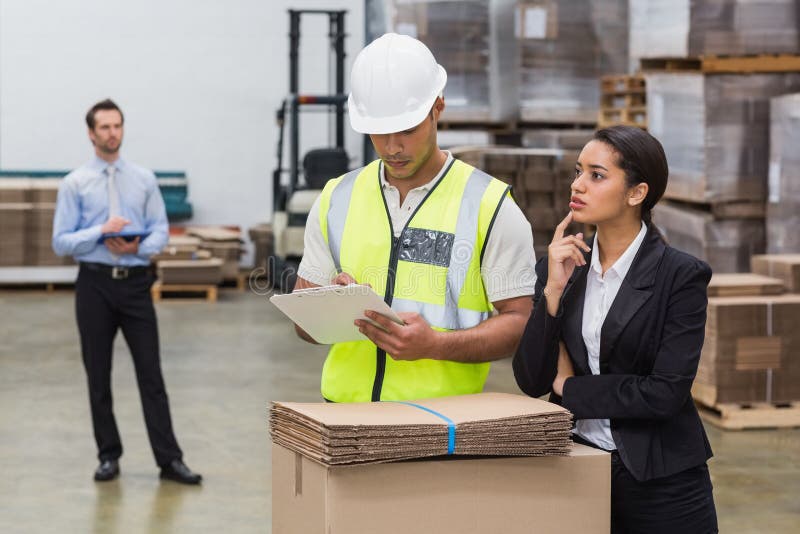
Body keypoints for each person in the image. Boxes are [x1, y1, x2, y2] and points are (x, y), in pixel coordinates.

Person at [293, 33, 536, 403]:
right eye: (379, 131)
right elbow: (304, 326)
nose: (392, 147)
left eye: (407, 129)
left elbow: (521, 322)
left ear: (437, 108)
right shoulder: (336, 198)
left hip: (437, 425)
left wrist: (436, 345)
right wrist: (332, 306)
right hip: (344, 419)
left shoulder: (490, 205)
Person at [513, 125, 718, 532]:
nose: (578, 184)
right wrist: (552, 291)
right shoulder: (561, 267)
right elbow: (531, 378)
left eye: (597, 174)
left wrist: (569, 389)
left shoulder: (680, 276)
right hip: (578, 464)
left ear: (637, 193)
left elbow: (664, 393)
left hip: (661, 480)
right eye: (578, 171)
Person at [53, 99, 201, 485]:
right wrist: (100, 232)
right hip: (94, 285)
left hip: (135, 285)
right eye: (103, 127)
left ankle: (169, 461)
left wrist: (138, 247)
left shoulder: (143, 180)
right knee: (97, 374)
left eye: (117, 125)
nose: (112, 133)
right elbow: (61, 242)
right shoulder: (75, 183)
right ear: (91, 133)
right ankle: (108, 456)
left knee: (151, 374)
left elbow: (161, 229)